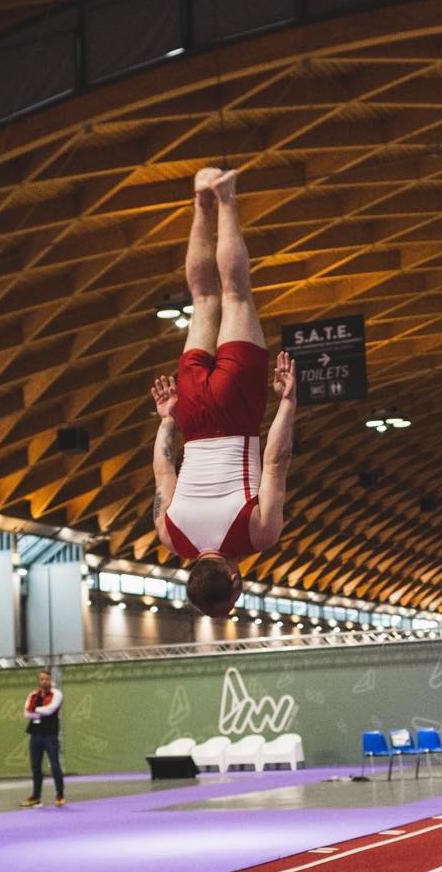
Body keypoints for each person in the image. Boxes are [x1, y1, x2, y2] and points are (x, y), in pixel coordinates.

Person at [151, 167, 297, 618]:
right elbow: (163, 468)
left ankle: (226, 197)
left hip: (237, 413)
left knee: (236, 295)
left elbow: (276, 462)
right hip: (192, 420)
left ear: (234, 582)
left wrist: (287, 403)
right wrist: (168, 418)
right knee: (203, 298)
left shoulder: (259, 535)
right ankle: (201, 199)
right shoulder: (170, 537)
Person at [21, 670, 65, 807]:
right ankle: (36, 797)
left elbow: (50, 710)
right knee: (35, 766)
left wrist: (35, 710)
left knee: (55, 765)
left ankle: (60, 795)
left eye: (47, 679)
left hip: (51, 735)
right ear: (39, 680)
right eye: (42, 679)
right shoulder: (33, 695)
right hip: (35, 735)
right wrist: (40, 712)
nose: (44, 681)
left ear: (51, 680)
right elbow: (26, 713)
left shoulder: (57, 694)